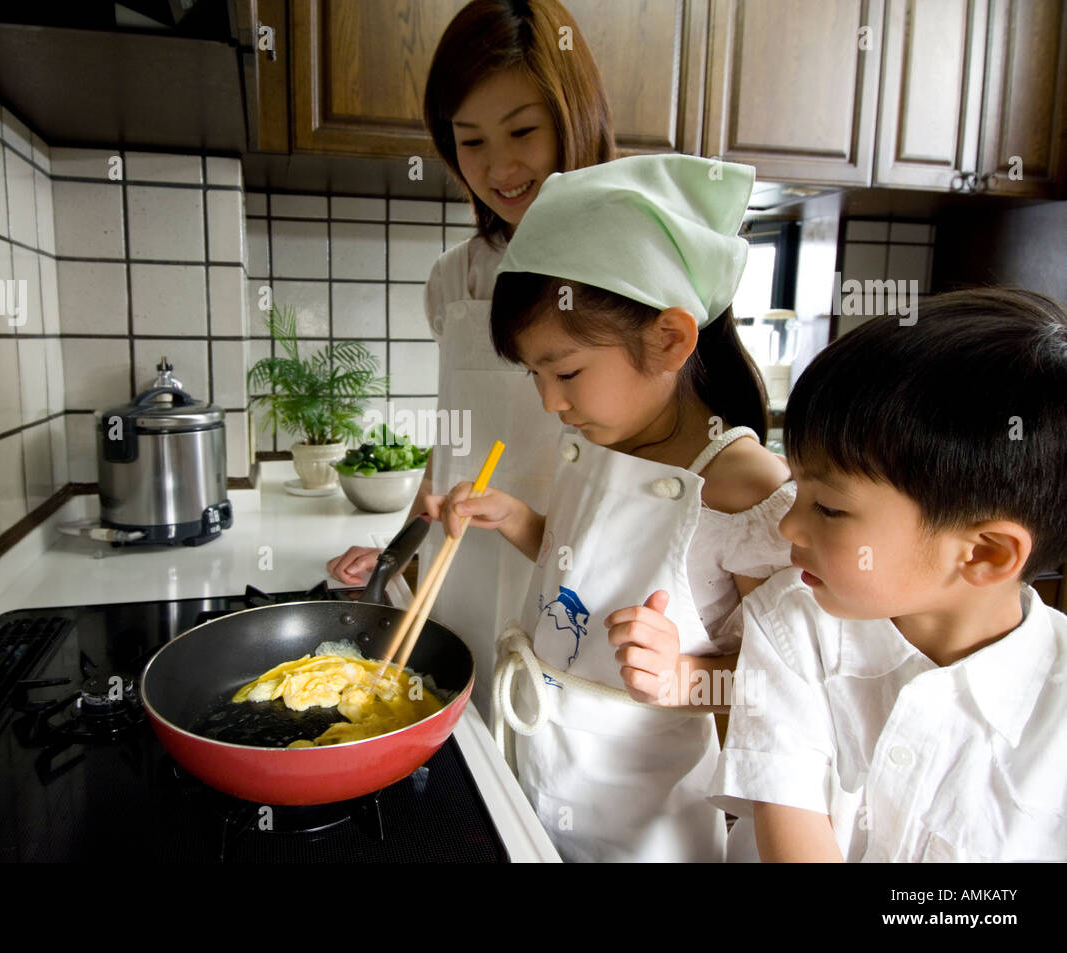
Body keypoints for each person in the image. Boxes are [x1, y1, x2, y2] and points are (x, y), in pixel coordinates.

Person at [428, 153, 794, 862]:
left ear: (670, 339)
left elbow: (793, 686)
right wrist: (518, 520)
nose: (549, 402)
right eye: (535, 373)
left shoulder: (746, 489)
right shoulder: (603, 444)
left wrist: (687, 676)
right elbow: (587, 571)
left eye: (564, 371)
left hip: (645, 826)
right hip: (538, 776)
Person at [327, 0, 616, 719]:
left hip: (574, 570)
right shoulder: (456, 278)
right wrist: (402, 547)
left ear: (572, 116)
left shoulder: (625, 274)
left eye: (522, 131)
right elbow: (456, 439)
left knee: (542, 751)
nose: (500, 166)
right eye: (470, 141)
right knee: (456, 733)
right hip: (460, 563)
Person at [708, 288, 1067, 862]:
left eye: (827, 508)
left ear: (986, 553)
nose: (788, 528)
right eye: (797, 490)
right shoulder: (792, 622)